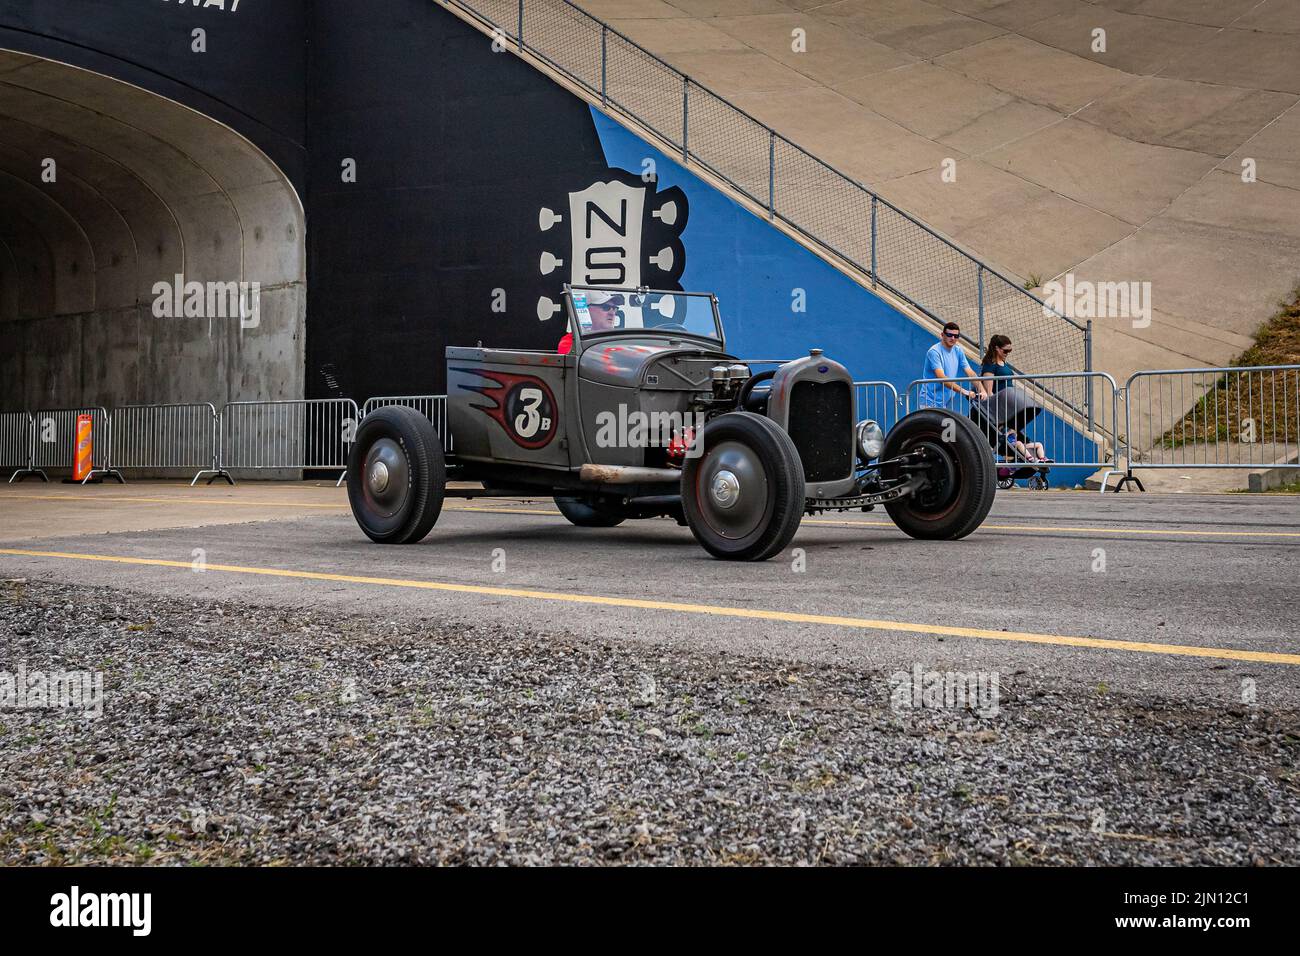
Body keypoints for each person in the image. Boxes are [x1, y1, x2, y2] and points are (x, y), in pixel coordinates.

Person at [920, 322, 989, 407]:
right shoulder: (934, 352)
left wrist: (982, 390)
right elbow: (942, 378)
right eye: (949, 335)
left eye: (956, 336)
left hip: (945, 402)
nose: (953, 338)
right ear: (942, 335)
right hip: (929, 402)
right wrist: (965, 392)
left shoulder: (958, 350)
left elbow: (970, 373)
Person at [558, 290, 623, 355]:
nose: (612, 313)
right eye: (605, 307)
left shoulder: (616, 341)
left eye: (614, 308)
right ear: (586, 310)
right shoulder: (570, 342)